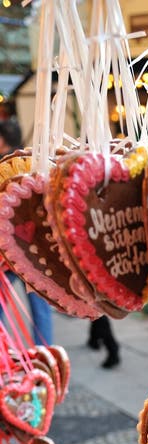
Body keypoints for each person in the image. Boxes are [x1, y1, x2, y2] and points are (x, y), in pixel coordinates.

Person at [0, 119, 53, 345]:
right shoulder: (32, 164)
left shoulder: (4, 168)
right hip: (34, 251)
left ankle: (4, 356)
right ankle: (46, 354)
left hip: (6, 253)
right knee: (41, 309)